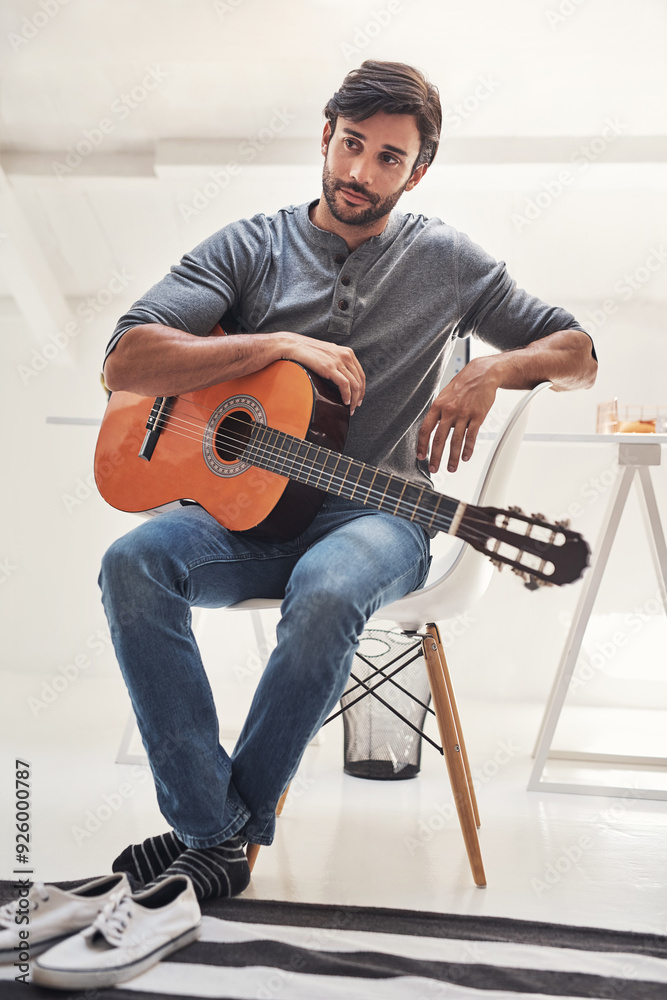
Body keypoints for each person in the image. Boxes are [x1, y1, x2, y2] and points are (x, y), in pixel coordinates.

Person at [100, 60, 597, 901]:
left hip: (378, 521)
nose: (360, 174)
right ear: (325, 135)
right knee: (131, 562)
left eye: (388, 159)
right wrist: (273, 346)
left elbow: (578, 353)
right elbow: (126, 360)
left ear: (419, 169)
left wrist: (492, 370)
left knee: (329, 590)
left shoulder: (445, 260)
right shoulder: (250, 246)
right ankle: (214, 834)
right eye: (352, 145)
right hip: (241, 514)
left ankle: (209, 838)